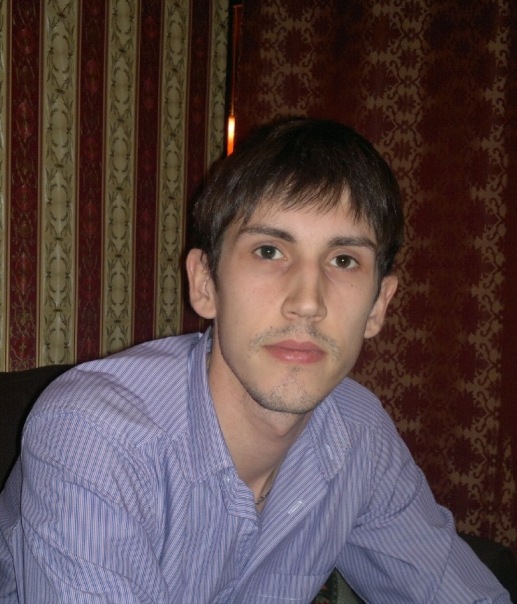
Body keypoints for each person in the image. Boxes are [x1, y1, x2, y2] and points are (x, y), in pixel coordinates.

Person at [0, 118, 510, 603]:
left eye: (343, 260)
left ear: (378, 305)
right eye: (269, 251)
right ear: (205, 283)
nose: (307, 302)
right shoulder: (94, 436)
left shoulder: (360, 436)